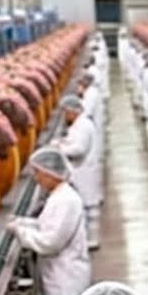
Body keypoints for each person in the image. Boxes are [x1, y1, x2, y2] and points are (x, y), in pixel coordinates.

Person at [7, 148, 93, 295]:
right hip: (58, 275)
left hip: (65, 278)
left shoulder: (66, 200)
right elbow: (47, 225)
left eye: (38, 173)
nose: (36, 178)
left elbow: (50, 242)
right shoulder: (58, 197)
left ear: (51, 173)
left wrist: (21, 232)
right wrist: (25, 223)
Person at [54, 96, 103, 250]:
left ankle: (92, 239)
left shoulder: (83, 126)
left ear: (72, 111)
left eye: (65, 112)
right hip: (81, 169)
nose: (64, 116)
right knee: (86, 206)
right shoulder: (80, 125)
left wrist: (60, 149)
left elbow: (79, 149)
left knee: (89, 206)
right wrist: (63, 142)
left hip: (84, 170)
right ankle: (89, 238)